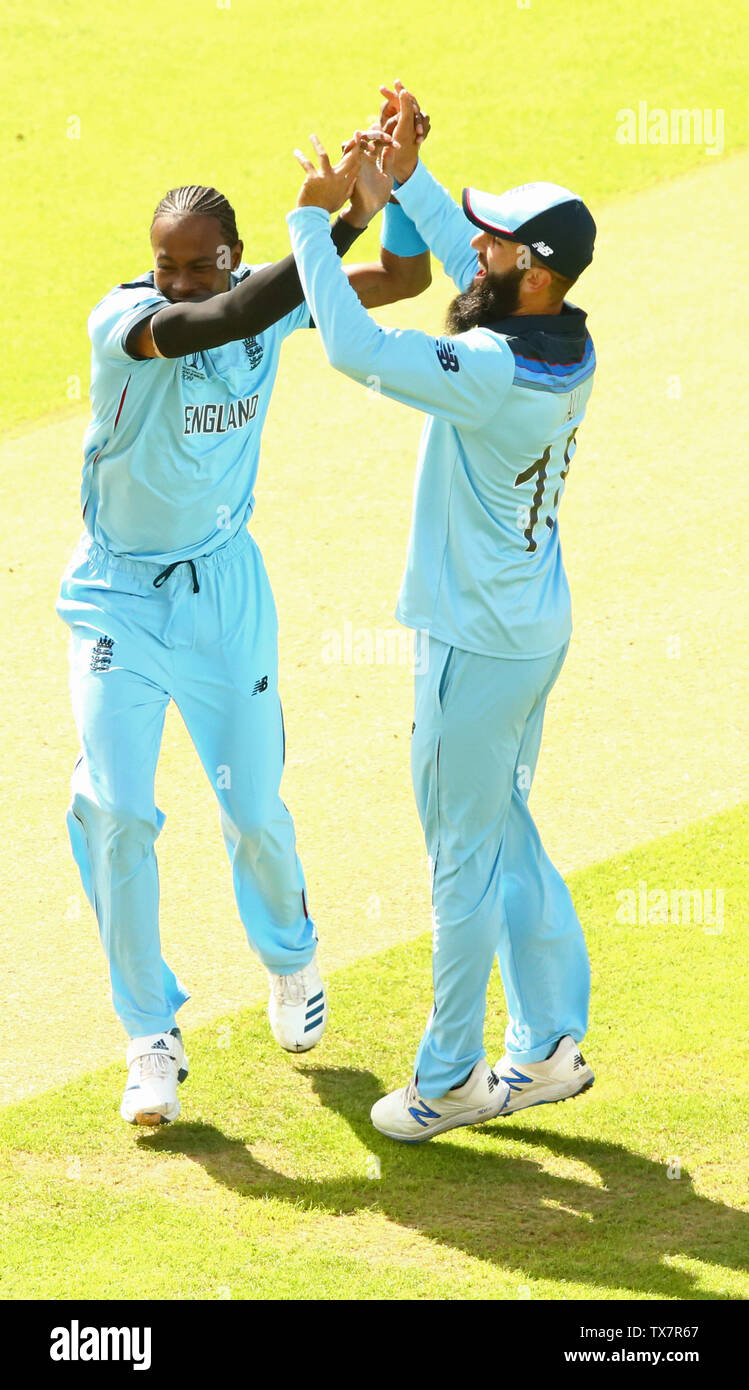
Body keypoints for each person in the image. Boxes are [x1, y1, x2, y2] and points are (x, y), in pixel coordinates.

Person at [57, 120, 430, 1128]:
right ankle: (149, 1036)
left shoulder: (266, 292)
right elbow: (212, 321)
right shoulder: (129, 318)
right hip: (117, 601)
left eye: (195, 263)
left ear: (231, 253)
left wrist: (378, 196)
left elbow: (402, 279)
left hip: (222, 594)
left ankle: (290, 956)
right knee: (117, 811)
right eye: (162, 263)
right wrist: (318, 225)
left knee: (251, 807)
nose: (172, 279)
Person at [287, 83, 598, 1142]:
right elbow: (466, 278)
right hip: (528, 632)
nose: (483, 247)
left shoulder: (491, 372)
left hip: (473, 648)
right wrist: (406, 175)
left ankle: (449, 1077)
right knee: (502, 830)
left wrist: (310, 219)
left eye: (501, 240)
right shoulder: (558, 338)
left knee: (460, 861)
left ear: (536, 267)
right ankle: (550, 1043)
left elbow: (353, 350)